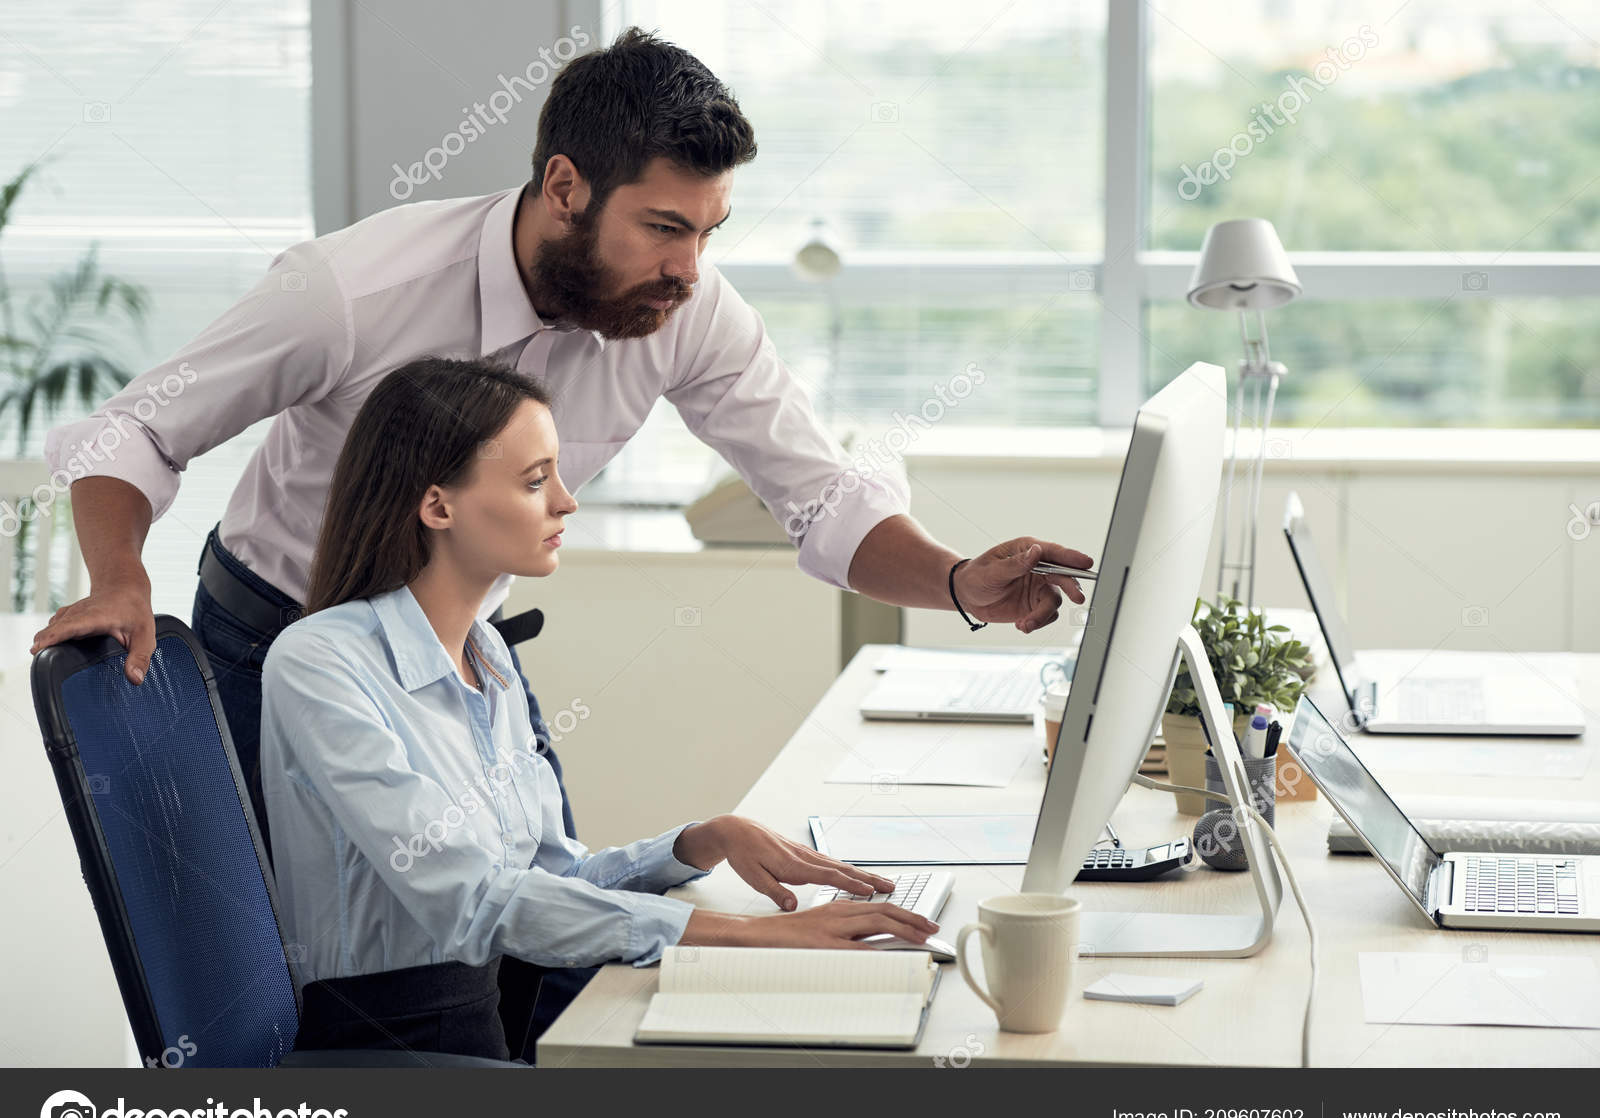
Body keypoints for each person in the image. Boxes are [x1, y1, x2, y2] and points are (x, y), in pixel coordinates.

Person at [32, 26, 1091, 859]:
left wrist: (956, 581)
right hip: (276, 645)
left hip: (459, 655)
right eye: (664, 228)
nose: (688, 268)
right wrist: (120, 576)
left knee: (539, 936)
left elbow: (820, 498)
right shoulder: (351, 291)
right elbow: (134, 427)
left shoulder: (688, 312)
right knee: (311, 972)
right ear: (565, 188)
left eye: (708, 232)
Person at [264, 356, 937, 1063]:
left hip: (497, 1005)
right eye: (535, 481)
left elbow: (550, 879)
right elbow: (469, 901)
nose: (566, 502)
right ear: (438, 507)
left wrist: (698, 842)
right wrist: (755, 935)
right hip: (395, 1038)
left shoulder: (487, 654)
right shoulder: (321, 662)